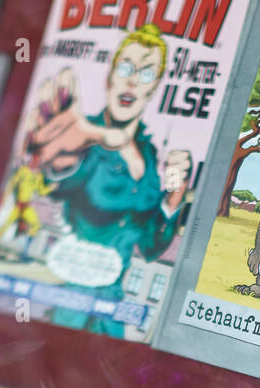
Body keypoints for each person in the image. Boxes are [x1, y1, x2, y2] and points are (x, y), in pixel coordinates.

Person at [25, 24, 192, 337]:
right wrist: (61, 151)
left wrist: (173, 199)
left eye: (145, 73)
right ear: (110, 76)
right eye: (125, 68)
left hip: (111, 311)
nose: (132, 79)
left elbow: (151, 248)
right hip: (64, 303)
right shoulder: (84, 137)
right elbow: (60, 177)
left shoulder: (150, 155)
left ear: (154, 87)